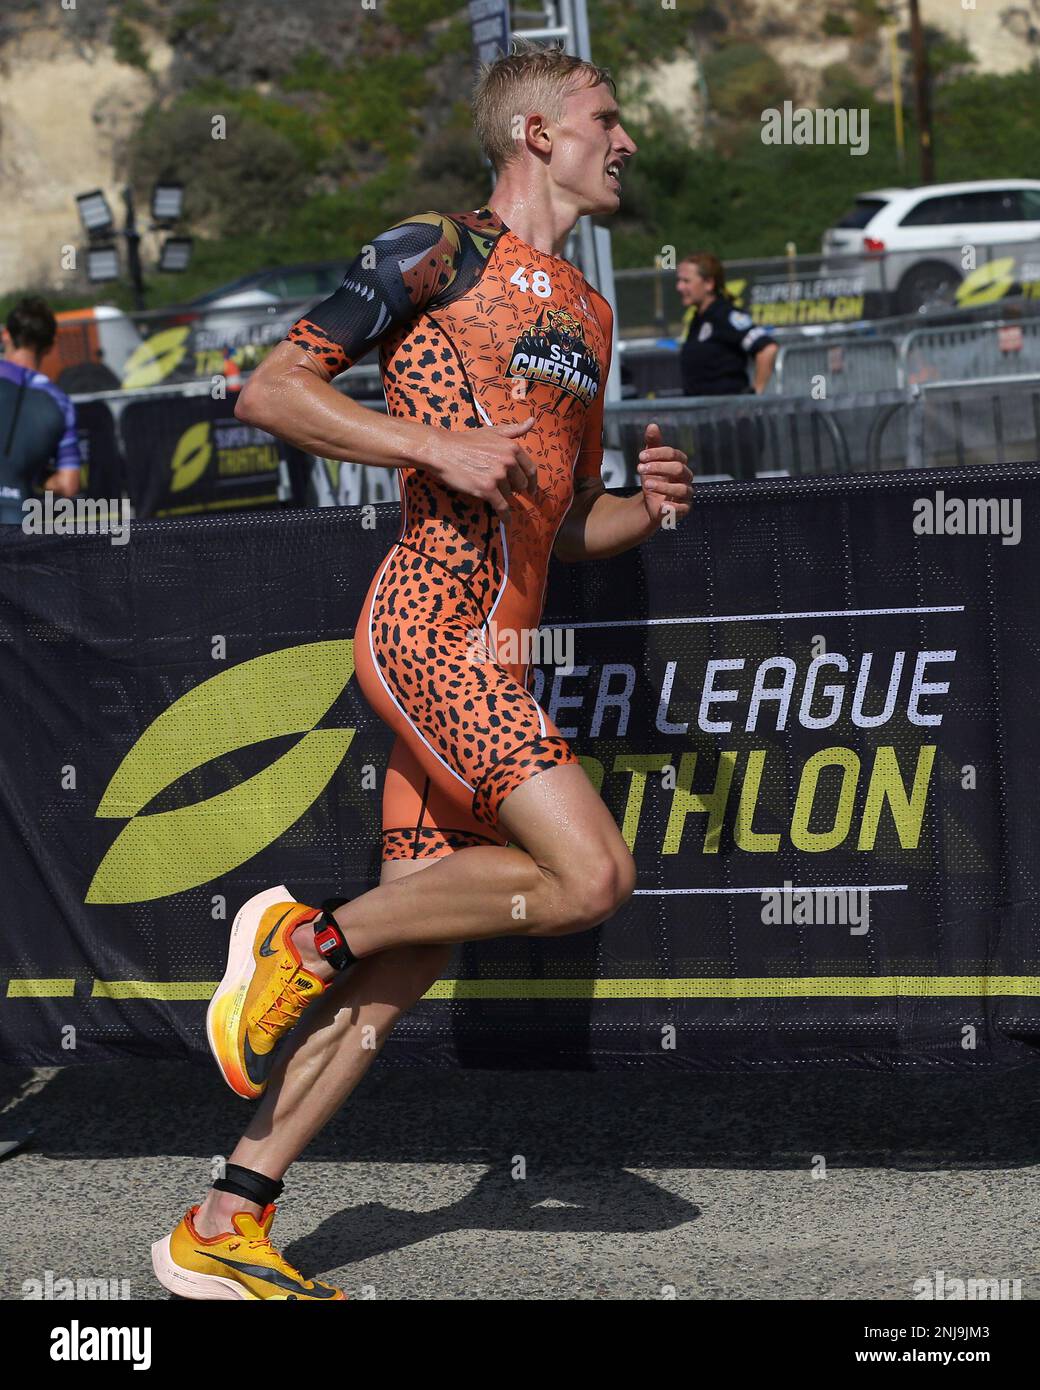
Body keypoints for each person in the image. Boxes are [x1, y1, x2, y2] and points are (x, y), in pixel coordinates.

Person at [150, 38, 694, 1302]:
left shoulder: (593, 310)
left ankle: (224, 1220)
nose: (625, 142)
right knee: (589, 874)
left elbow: (557, 522)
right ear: (537, 136)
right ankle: (304, 933)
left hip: (498, 647)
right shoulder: (431, 252)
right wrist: (426, 445)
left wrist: (643, 506)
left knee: (391, 988)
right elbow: (269, 391)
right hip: (430, 627)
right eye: (604, 119)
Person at [0, 297, 80, 525]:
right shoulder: (60, 402)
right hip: (17, 522)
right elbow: (68, 484)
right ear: (51, 346)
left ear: (6, 334)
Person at [676, 253, 777, 396]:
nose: (679, 287)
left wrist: (755, 394)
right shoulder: (698, 319)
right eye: (679, 281)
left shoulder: (726, 315)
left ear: (709, 283)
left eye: (686, 281)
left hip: (726, 414)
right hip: (701, 415)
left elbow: (767, 348)